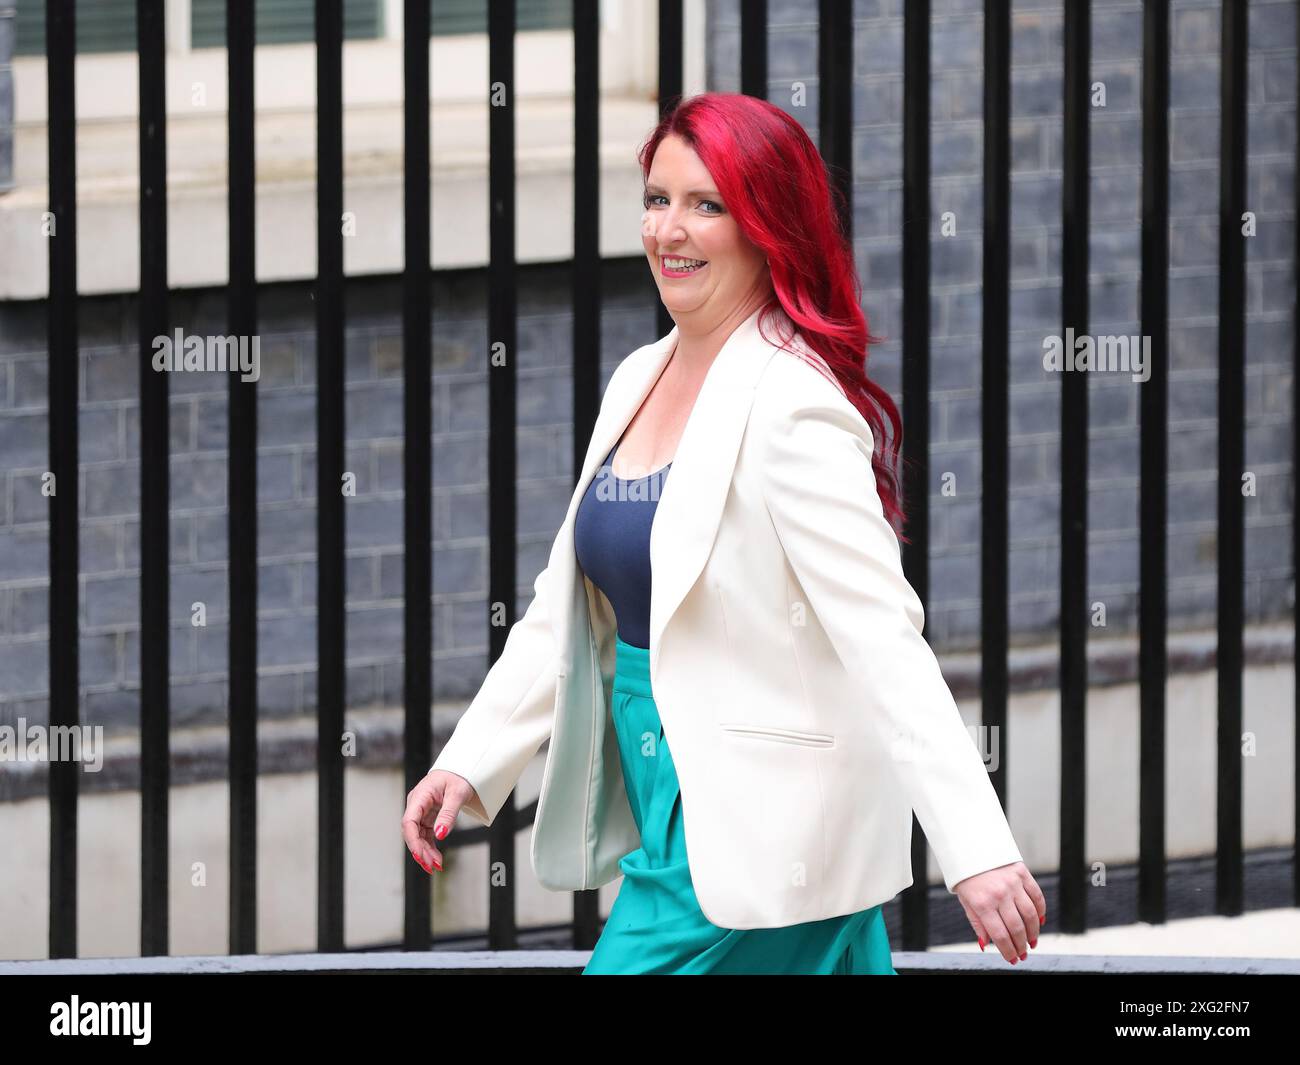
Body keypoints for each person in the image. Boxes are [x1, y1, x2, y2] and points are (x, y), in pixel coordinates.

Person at [404, 93, 1045, 973]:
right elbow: (568, 603)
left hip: (767, 822)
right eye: (658, 199)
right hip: (669, 794)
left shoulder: (792, 402)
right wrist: (471, 763)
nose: (671, 229)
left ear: (767, 229)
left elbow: (882, 636)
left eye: (709, 205)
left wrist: (976, 846)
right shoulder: (637, 376)